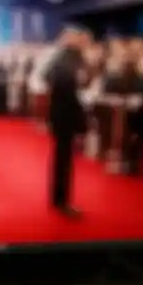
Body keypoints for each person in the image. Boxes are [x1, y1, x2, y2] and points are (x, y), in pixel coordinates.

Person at [43, 26, 89, 217]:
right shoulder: (70, 58)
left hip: (60, 114)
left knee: (61, 158)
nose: (85, 41)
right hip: (66, 114)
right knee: (64, 159)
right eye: (81, 38)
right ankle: (63, 201)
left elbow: (46, 77)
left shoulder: (60, 57)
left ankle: (57, 198)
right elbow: (70, 85)